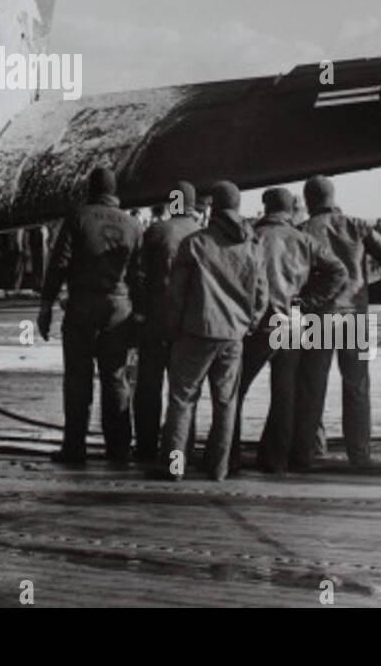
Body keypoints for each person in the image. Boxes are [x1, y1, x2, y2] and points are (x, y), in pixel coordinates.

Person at [159, 181, 268, 482]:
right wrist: (250, 323)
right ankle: (218, 470)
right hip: (233, 335)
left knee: (182, 400)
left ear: (213, 208)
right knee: (225, 403)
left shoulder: (195, 243)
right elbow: (262, 295)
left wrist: (174, 329)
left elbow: (176, 295)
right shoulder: (252, 245)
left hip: (196, 331)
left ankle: (174, 467)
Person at [292, 176, 381, 469]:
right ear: (333, 196)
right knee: (357, 386)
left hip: (319, 318)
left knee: (312, 386)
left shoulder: (303, 230)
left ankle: (308, 451)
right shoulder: (359, 226)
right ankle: (360, 455)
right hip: (356, 316)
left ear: (308, 200)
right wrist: (374, 288)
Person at [39, 165, 142, 467]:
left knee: (77, 380)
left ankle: (74, 448)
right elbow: (139, 275)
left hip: (82, 307)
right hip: (119, 309)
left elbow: (59, 264)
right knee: (115, 379)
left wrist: (46, 306)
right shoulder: (134, 225)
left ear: (90, 189)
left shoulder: (77, 218)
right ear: (114, 192)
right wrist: (140, 317)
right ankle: (119, 449)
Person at [249, 187, 348, 473]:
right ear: (292, 207)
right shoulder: (303, 239)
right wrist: (309, 302)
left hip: (257, 323)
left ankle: (224, 458)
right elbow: (338, 271)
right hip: (291, 322)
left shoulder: (253, 237)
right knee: (285, 393)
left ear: (265, 206)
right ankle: (277, 460)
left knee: (233, 393)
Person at [132, 181, 203, 462]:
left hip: (155, 322)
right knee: (185, 392)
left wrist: (140, 312)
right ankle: (182, 446)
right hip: (189, 326)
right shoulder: (202, 235)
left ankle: (146, 446)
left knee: (149, 386)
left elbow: (138, 276)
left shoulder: (156, 232)